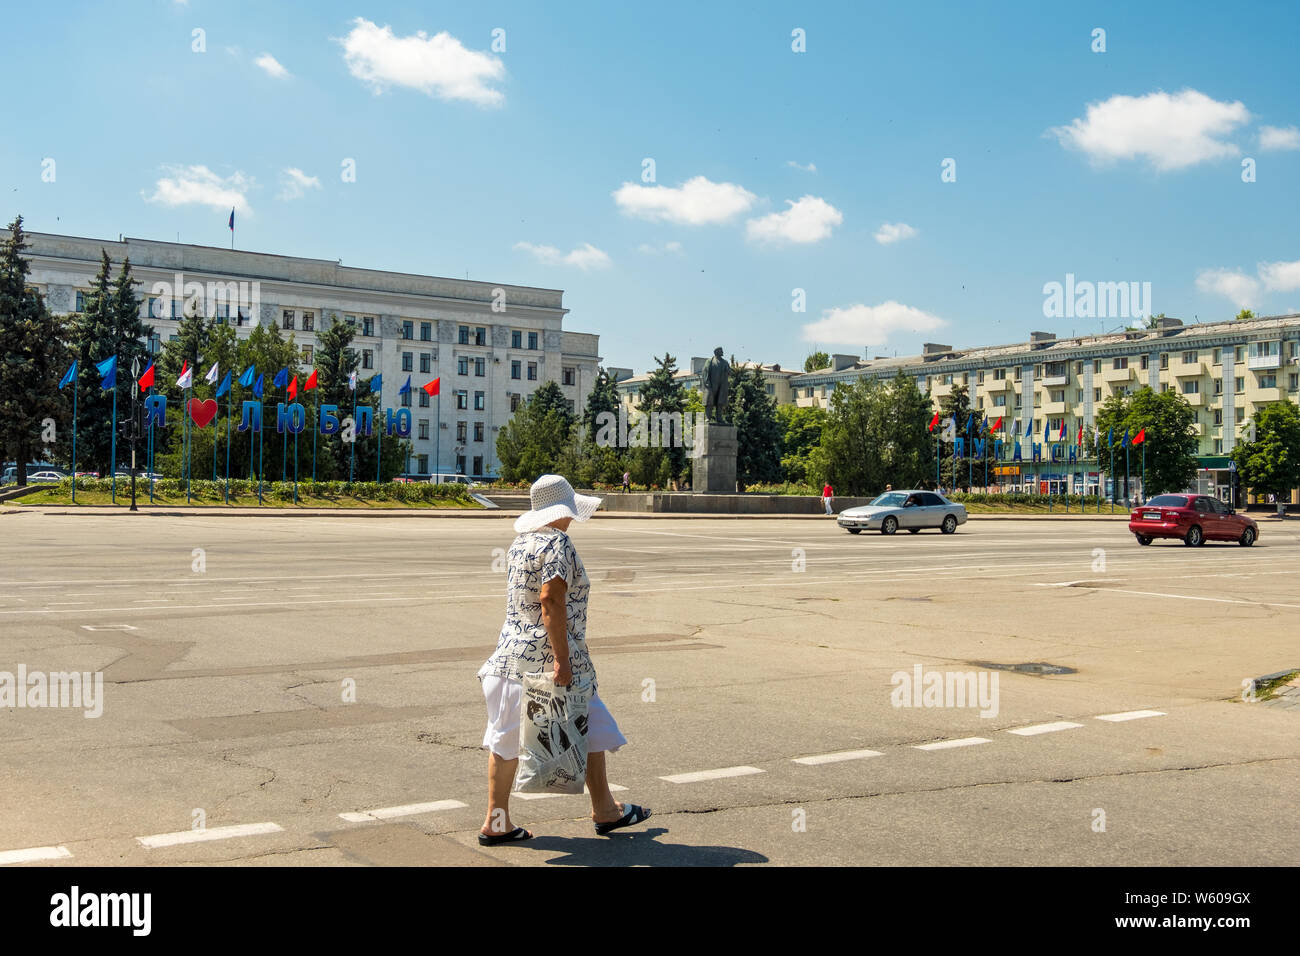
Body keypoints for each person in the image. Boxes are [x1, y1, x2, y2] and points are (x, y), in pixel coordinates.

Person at [476, 474, 650, 844]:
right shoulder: (558, 543)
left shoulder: (521, 542)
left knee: (592, 728)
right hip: (539, 666)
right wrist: (563, 661)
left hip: (511, 659)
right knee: (509, 743)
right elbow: (550, 600)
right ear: (562, 511)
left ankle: (605, 809)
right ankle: (496, 823)